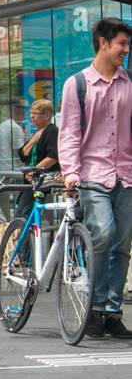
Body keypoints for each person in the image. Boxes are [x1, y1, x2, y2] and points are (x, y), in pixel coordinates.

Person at [58, 17, 132, 340]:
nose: (126, 50)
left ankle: (112, 312)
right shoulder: (77, 85)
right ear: (103, 43)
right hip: (92, 177)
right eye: (122, 44)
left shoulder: (128, 83)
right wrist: (71, 174)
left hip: (126, 176)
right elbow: (69, 135)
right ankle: (95, 307)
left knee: (123, 245)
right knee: (103, 234)